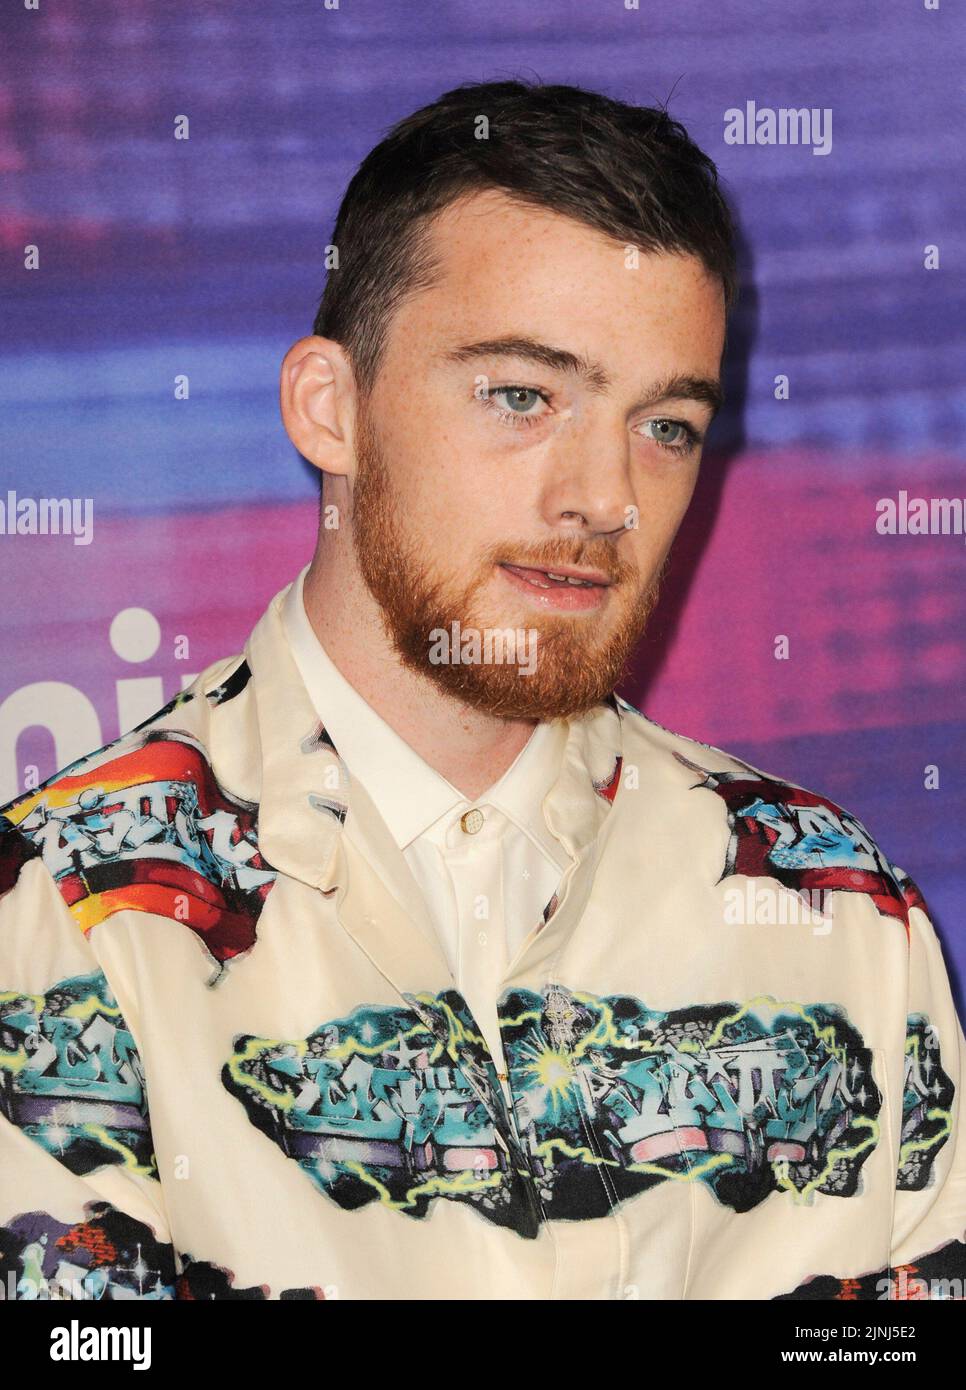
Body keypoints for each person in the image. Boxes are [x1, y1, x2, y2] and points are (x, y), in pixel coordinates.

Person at [1, 80, 963, 1302]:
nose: (601, 497)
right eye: (523, 396)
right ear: (330, 409)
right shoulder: (68, 918)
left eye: (664, 424)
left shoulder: (843, 917)